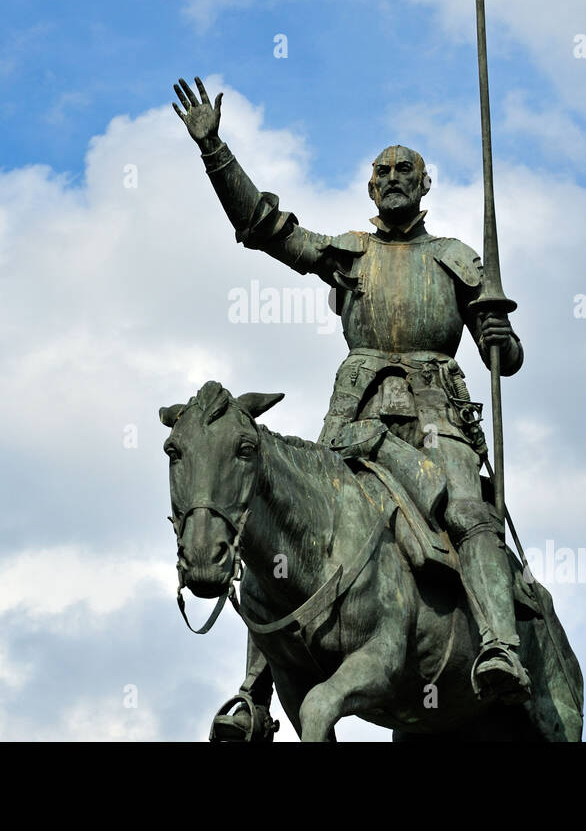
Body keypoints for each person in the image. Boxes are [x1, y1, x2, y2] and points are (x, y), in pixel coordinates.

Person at [172, 78, 531, 739]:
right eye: (382, 173)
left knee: (469, 513)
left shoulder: (454, 259)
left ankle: (501, 645)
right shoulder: (350, 254)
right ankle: (254, 695)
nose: (392, 180)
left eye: (405, 172)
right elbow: (263, 227)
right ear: (370, 189)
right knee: (287, 519)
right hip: (353, 415)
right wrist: (214, 151)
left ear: (424, 186)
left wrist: (501, 339)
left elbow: (501, 357)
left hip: (434, 415)